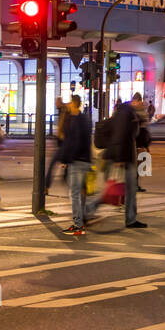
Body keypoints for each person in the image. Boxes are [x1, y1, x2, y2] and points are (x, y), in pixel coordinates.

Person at [86, 100, 147, 228]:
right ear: (134, 102)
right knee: (118, 190)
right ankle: (88, 211)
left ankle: (130, 219)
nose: (143, 105)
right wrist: (119, 158)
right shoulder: (125, 113)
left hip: (124, 156)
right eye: (141, 102)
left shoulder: (128, 113)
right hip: (121, 157)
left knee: (123, 189)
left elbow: (131, 135)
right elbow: (119, 135)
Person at [60, 95, 94, 235]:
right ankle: (82, 219)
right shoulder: (85, 119)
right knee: (81, 193)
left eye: (69, 102)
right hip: (85, 160)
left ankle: (78, 224)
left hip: (76, 161)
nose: (68, 104)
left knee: (74, 194)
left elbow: (74, 142)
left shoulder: (75, 121)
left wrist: (66, 159)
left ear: (74, 104)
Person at [46, 98, 73, 192]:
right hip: (63, 143)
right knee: (66, 165)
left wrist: (61, 135)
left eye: (56, 102)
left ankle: (46, 186)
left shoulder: (65, 111)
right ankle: (66, 180)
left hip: (64, 143)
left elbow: (64, 127)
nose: (55, 104)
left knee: (53, 163)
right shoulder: (63, 111)